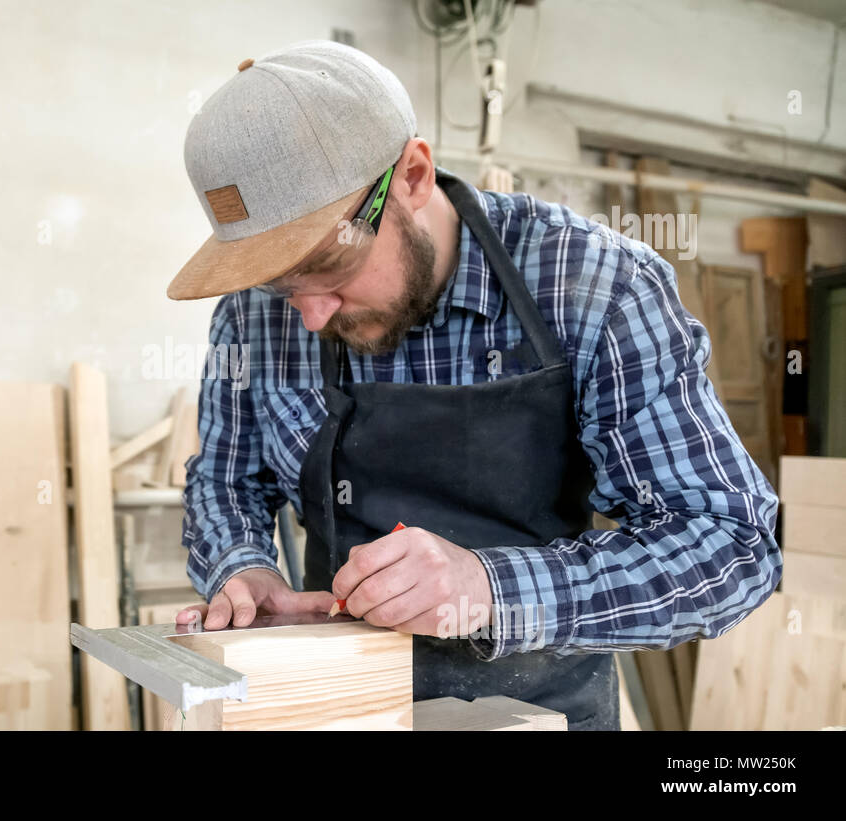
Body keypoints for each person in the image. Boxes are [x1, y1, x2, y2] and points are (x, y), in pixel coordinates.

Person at [165, 41, 780, 730]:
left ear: (414, 176)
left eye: (330, 268)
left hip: (543, 715)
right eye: (280, 284)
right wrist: (242, 567)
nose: (309, 314)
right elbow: (225, 480)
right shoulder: (252, 316)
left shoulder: (597, 289)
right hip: (339, 713)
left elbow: (730, 545)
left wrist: (488, 588)